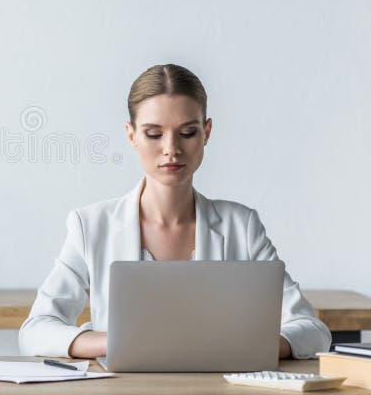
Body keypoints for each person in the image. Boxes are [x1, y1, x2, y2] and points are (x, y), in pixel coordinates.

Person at [18, 64, 331, 359]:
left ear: (206, 132)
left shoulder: (242, 226)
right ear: (131, 135)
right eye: (154, 134)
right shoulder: (90, 225)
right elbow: (35, 331)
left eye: (187, 132)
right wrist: (118, 343)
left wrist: (243, 346)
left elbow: (313, 331)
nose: (171, 148)